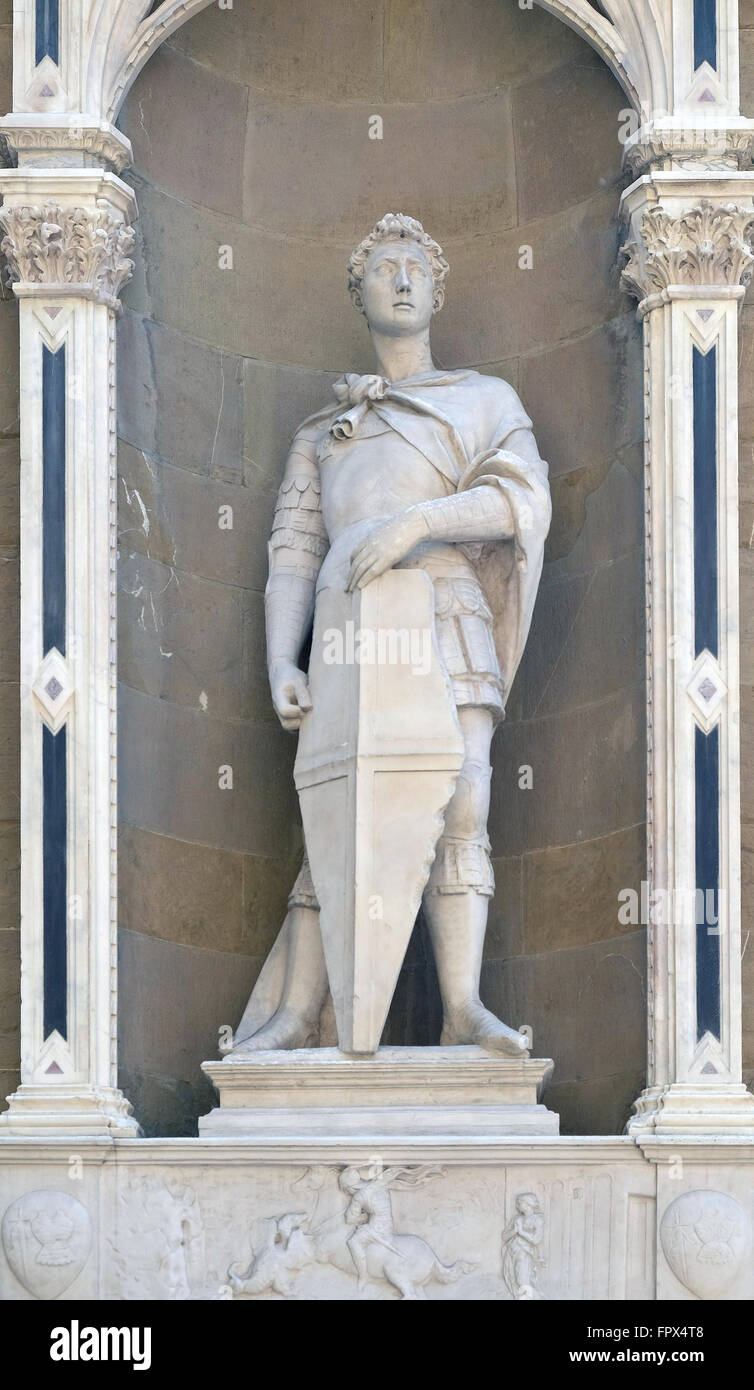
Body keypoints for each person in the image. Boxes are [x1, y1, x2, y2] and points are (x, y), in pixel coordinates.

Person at [233, 213, 551, 1055]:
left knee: (465, 797)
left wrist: (415, 524)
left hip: (445, 604)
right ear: (359, 294)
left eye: (415, 266)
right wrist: (279, 658)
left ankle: (461, 1006)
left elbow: (520, 504)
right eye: (383, 267)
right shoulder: (322, 433)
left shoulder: (485, 401)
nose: (402, 278)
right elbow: (295, 550)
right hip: (346, 622)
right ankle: (301, 1014)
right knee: (336, 811)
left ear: (437, 290)